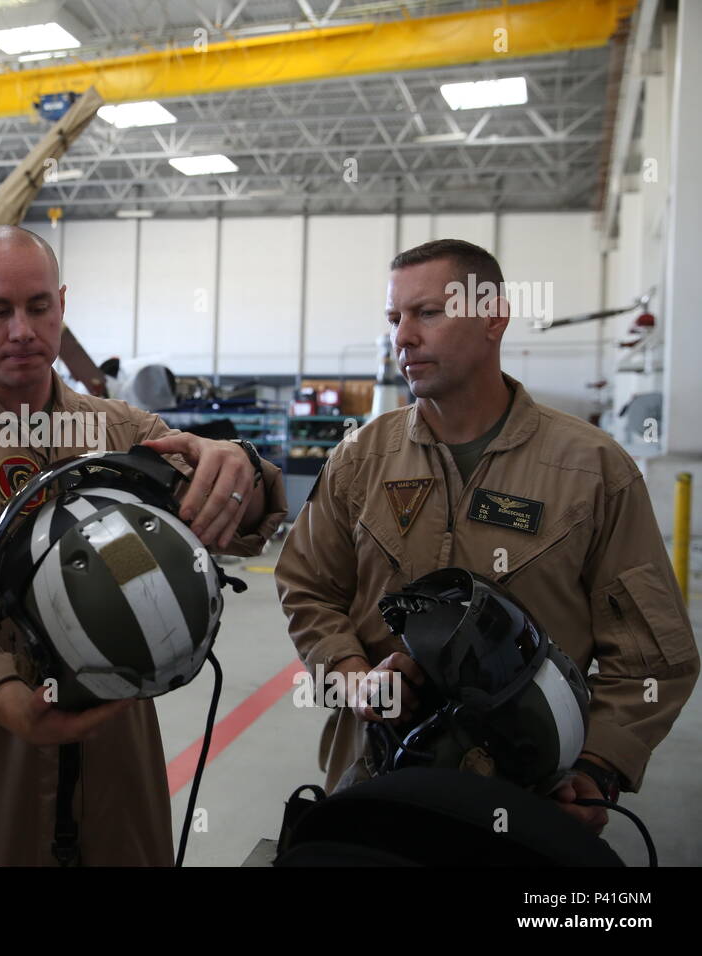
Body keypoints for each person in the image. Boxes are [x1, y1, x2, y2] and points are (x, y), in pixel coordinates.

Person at [0, 225, 287, 865]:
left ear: (61, 305)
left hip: (118, 743)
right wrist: (12, 705)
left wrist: (240, 469)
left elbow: (242, 513)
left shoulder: (125, 432)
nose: (22, 331)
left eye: (39, 306)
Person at [275, 239, 699, 831]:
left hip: (529, 797)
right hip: (375, 783)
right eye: (395, 318)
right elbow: (307, 586)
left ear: (494, 317)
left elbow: (652, 654)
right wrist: (352, 677)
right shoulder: (361, 458)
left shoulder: (592, 470)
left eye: (428, 313)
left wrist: (599, 767)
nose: (403, 337)